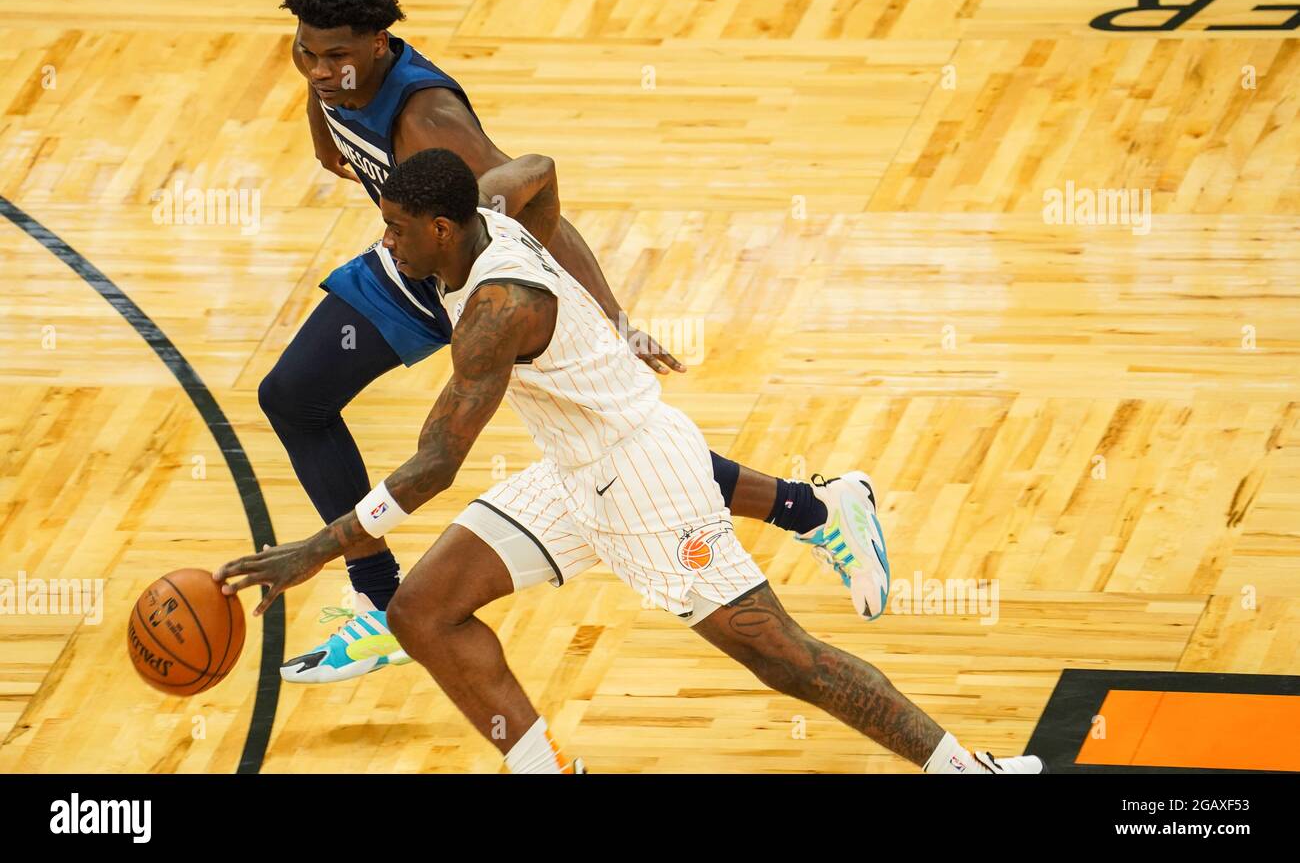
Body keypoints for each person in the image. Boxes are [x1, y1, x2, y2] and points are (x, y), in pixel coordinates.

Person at [217, 148, 1043, 775]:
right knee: (422, 612)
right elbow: (537, 170)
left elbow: (435, 463)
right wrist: (609, 317)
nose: (384, 241)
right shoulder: (485, 213)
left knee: (778, 655)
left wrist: (320, 549)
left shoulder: (496, 308)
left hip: (645, 477)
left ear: (440, 227)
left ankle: (965, 769)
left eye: (395, 227)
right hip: (571, 473)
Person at [265, 0, 884, 683]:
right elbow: (330, 143)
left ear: (379, 43)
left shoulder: (431, 119)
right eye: (306, 50)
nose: (317, 68)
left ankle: (383, 605)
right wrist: (322, 94)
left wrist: (611, 314)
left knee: (617, 453)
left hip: (466, 278)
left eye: (335, 55)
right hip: (407, 258)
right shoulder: (330, 74)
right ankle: (814, 507)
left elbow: (529, 202)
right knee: (295, 399)